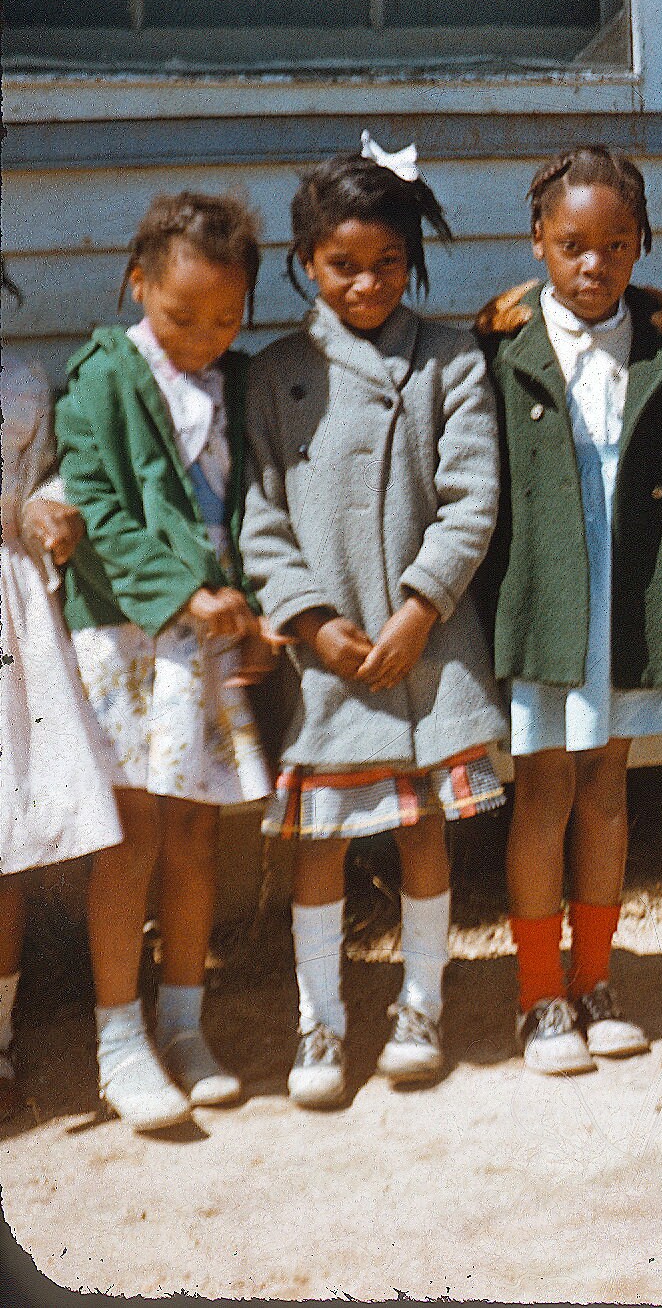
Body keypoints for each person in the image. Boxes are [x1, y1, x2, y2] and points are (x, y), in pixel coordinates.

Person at [240, 141, 508, 1107]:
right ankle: (320, 1019)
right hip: (327, 656)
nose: (365, 282)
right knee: (323, 838)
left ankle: (422, 1001)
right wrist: (313, 624)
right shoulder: (275, 374)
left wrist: (419, 607)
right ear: (307, 262)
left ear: (414, 261)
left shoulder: (448, 362)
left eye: (387, 263)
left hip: (424, 647)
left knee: (422, 825)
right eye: (342, 264)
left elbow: (472, 496)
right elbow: (259, 516)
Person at [476, 148, 662, 1076]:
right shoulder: (501, 350)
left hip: (630, 584)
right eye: (572, 245)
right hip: (545, 592)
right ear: (537, 241)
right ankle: (540, 996)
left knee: (609, 784)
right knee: (544, 786)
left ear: (643, 246)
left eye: (617, 246)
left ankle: (595, 976)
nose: (594, 265)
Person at [55, 194, 277, 1129]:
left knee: (196, 839)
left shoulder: (238, 382)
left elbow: (259, 505)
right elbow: (94, 509)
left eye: (224, 320)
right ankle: (119, 1039)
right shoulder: (101, 377)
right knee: (132, 839)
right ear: (136, 282)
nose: (201, 337)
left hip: (210, 642)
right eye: (182, 316)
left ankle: (184, 1022)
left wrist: (255, 614)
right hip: (126, 632)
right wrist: (184, 595)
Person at [0, 257, 128, 1123]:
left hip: (9, 616)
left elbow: (38, 480)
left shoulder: (20, 385)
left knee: (3, 840)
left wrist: (46, 504)